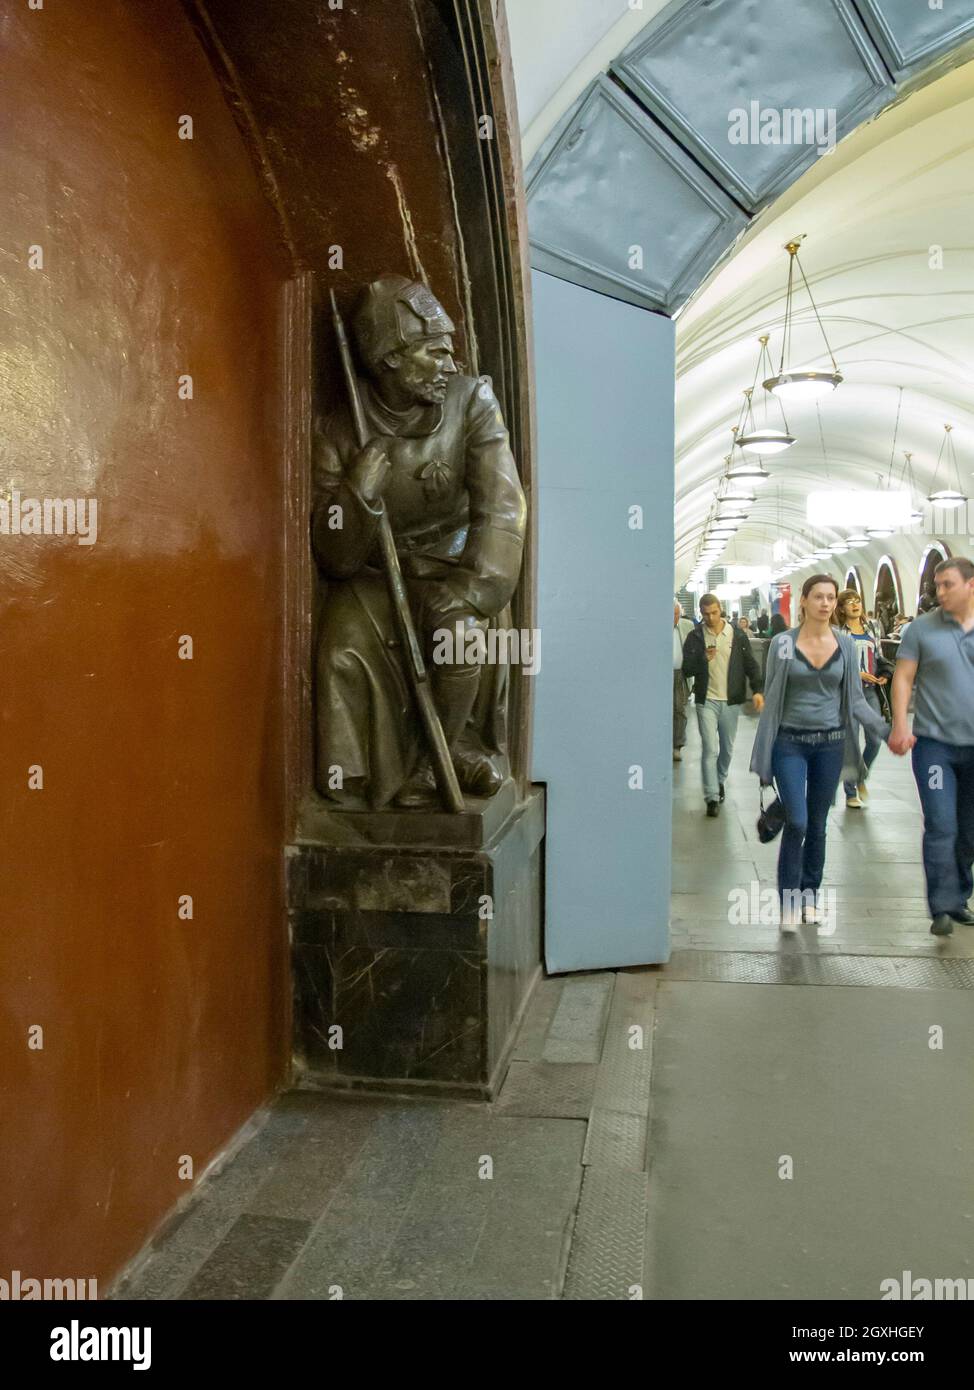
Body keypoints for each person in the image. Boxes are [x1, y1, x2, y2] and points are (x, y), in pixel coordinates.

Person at [312, 275, 526, 808]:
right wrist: (357, 496)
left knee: (459, 638)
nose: (450, 365)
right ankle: (366, 779)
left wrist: (473, 589)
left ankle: (439, 759)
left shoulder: (471, 401)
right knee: (340, 646)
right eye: (435, 353)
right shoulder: (342, 430)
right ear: (390, 358)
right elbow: (334, 555)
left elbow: (502, 508)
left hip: (456, 566)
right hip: (379, 576)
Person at [751, 574, 891, 932]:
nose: (826, 603)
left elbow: (855, 699)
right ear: (804, 600)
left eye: (831, 597)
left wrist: (886, 732)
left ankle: (809, 896)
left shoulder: (845, 644)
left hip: (830, 744)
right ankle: (788, 902)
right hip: (790, 743)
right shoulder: (783, 643)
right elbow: (773, 697)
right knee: (796, 820)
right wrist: (764, 753)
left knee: (817, 824)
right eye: (818, 597)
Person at [889, 557, 974, 937]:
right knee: (941, 824)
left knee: (968, 830)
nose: (939, 592)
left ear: (971, 585)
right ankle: (941, 906)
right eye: (936, 585)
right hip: (934, 745)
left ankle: (958, 898)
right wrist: (900, 724)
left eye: (947, 584)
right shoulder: (921, 629)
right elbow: (903, 677)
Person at [683, 593, 764, 817]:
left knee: (727, 749)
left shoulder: (736, 635)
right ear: (701, 613)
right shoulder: (695, 637)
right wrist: (703, 659)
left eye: (714, 613)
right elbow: (687, 669)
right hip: (706, 700)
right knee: (710, 748)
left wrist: (757, 690)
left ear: (721, 610)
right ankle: (711, 796)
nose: (710, 618)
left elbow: (750, 665)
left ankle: (719, 780)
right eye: (706, 614)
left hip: (731, 700)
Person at [835, 588, 892, 808]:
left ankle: (860, 776)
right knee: (851, 741)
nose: (854, 605)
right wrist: (857, 674)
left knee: (875, 739)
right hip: (849, 692)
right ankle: (851, 792)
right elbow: (836, 662)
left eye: (857, 600)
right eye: (849, 602)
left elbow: (878, 655)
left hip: (869, 691)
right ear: (842, 608)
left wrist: (884, 673)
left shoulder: (873, 627)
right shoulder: (838, 632)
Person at [673, 600, 695, 761]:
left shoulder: (687, 626)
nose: (674, 617)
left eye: (676, 614)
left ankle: (677, 745)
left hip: (680, 674)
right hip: (661, 674)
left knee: (679, 709)